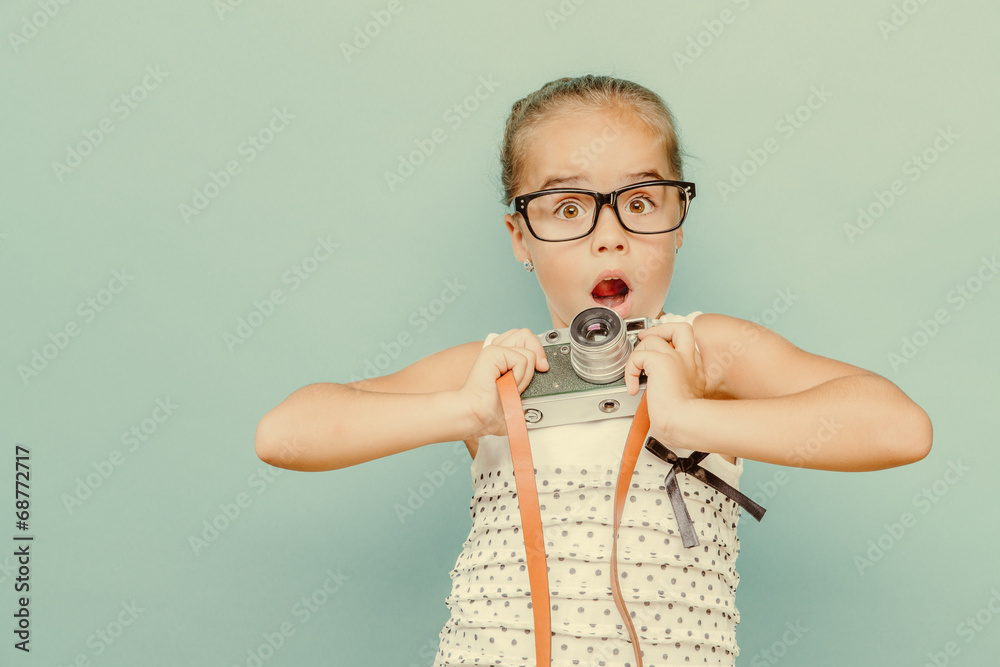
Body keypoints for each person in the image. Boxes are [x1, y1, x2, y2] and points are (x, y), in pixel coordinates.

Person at [255, 75, 933, 666]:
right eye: (569, 208)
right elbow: (286, 432)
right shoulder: (499, 371)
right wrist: (464, 411)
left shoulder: (703, 352)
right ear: (520, 237)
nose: (609, 234)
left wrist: (692, 413)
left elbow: (898, 427)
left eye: (640, 202)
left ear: (679, 220)